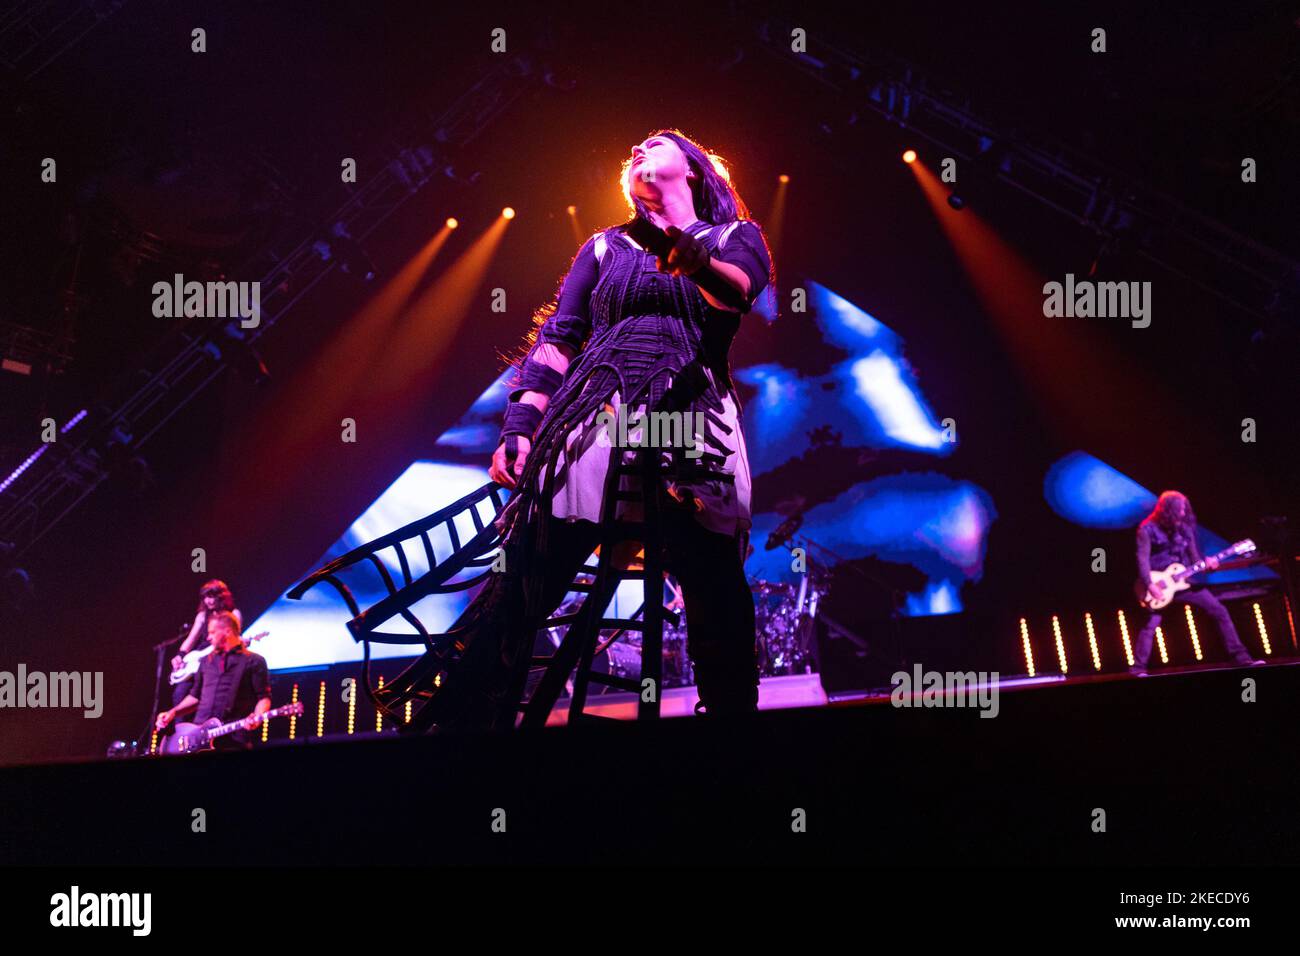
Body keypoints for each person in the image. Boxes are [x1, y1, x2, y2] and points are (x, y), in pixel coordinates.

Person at [397, 129, 775, 730]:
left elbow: (739, 293)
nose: (635, 151)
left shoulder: (733, 238)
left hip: (687, 416)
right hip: (596, 412)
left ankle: (733, 732)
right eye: (632, 150)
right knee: (528, 575)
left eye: (654, 143)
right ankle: (457, 732)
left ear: (696, 170)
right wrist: (521, 424)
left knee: (712, 583)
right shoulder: (603, 247)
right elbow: (559, 337)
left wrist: (691, 257)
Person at [1130, 491, 1263, 675]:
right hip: (1157, 585)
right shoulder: (1147, 529)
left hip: (1184, 581)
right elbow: (1142, 559)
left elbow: (1194, 558)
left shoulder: (1185, 528)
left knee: (1219, 611)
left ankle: (1241, 658)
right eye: (1179, 510)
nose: (1183, 513)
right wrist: (1150, 585)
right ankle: (1138, 669)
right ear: (1168, 510)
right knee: (1150, 625)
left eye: (1184, 509)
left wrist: (1208, 564)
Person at [156, 611, 271, 750]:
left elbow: (264, 698)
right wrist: (173, 712)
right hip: (199, 736)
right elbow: (195, 697)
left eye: (212, 632)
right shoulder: (206, 661)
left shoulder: (254, 661)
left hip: (233, 738)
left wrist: (257, 717)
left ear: (227, 631)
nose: (208, 638)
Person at [170, 579, 242, 709]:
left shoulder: (233, 614)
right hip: (198, 660)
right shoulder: (202, 615)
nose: (207, 601)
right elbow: (191, 639)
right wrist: (180, 656)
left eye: (211, 596)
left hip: (219, 659)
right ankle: (181, 728)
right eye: (205, 597)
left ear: (221, 597)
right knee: (179, 694)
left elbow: (235, 640)